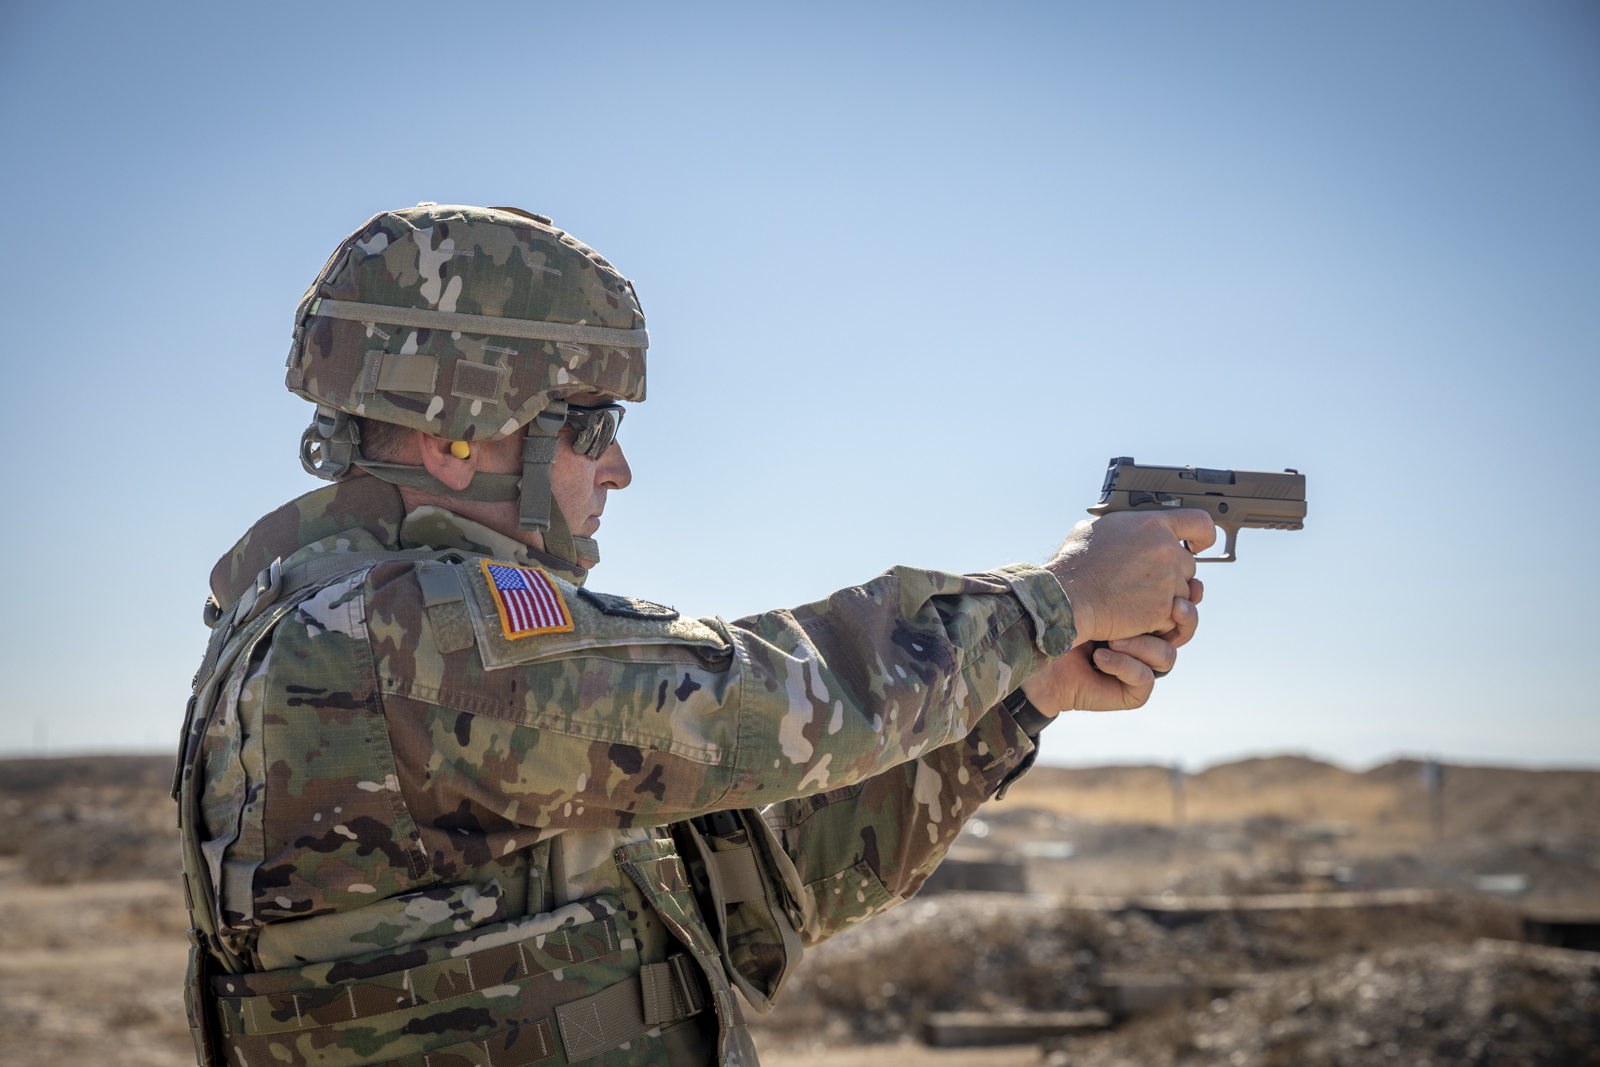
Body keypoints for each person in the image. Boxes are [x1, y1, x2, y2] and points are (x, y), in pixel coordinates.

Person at [175, 204, 1210, 1067]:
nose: (616, 468)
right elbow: (778, 708)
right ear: (456, 434)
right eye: (589, 426)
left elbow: (767, 878)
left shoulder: (355, 625)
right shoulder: (396, 635)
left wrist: (1022, 692)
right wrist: (1053, 600)